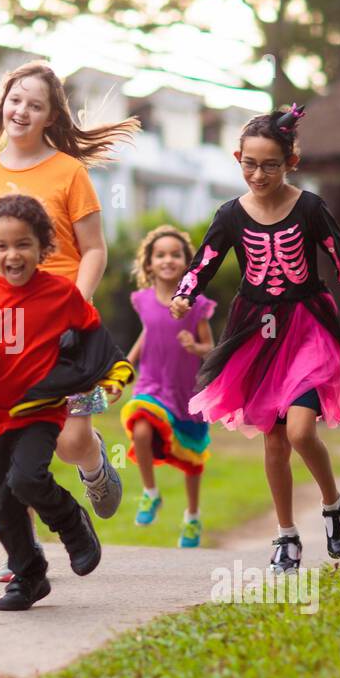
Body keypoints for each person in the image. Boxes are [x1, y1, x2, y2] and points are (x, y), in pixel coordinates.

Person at [0, 60, 140, 579]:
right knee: (13, 439)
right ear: (3, 102)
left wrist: (73, 310)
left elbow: (95, 250)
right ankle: (25, 553)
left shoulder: (68, 172)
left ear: (49, 115)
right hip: (6, 329)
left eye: (35, 105)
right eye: (16, 100)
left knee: (70, 439)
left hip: (60, 320)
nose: (22, 111)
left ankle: (94, 465)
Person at [171, 104, 340, 572]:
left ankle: (333, 504)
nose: (258, 173)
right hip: (257, 334)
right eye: (250, 163)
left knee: (300, 429)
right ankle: (286, 536)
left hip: (308, 327)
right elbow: (204, 262)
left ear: (290, 162)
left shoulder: (309, 207)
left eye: (270, 164)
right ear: (237, 159)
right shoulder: (230, 214)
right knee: (273, 444)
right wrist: (185, 295)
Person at [0, 194, 133, 611]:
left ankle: (72, 523)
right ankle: (29, 576)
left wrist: (114, 371)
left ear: (43, 248)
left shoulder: (61, 294)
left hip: (40, 411)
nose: (13, 254)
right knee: (2, 508)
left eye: (24, 244)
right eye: (3, 246)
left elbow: (93, 337)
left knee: (27, 480)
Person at [121, 225, 216, 547]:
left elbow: (211, 347)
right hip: (151, 383)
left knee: (192, 459)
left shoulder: (196, 303)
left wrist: (196, 346)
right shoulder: (142, 300)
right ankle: (150, 493)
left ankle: (192, 517)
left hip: (186, 390)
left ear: (188, 264)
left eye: (176, 255)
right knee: (141, 428)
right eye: (160, 255)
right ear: (149, 264)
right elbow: (148, 333)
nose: (168, 260)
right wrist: (125, 367)